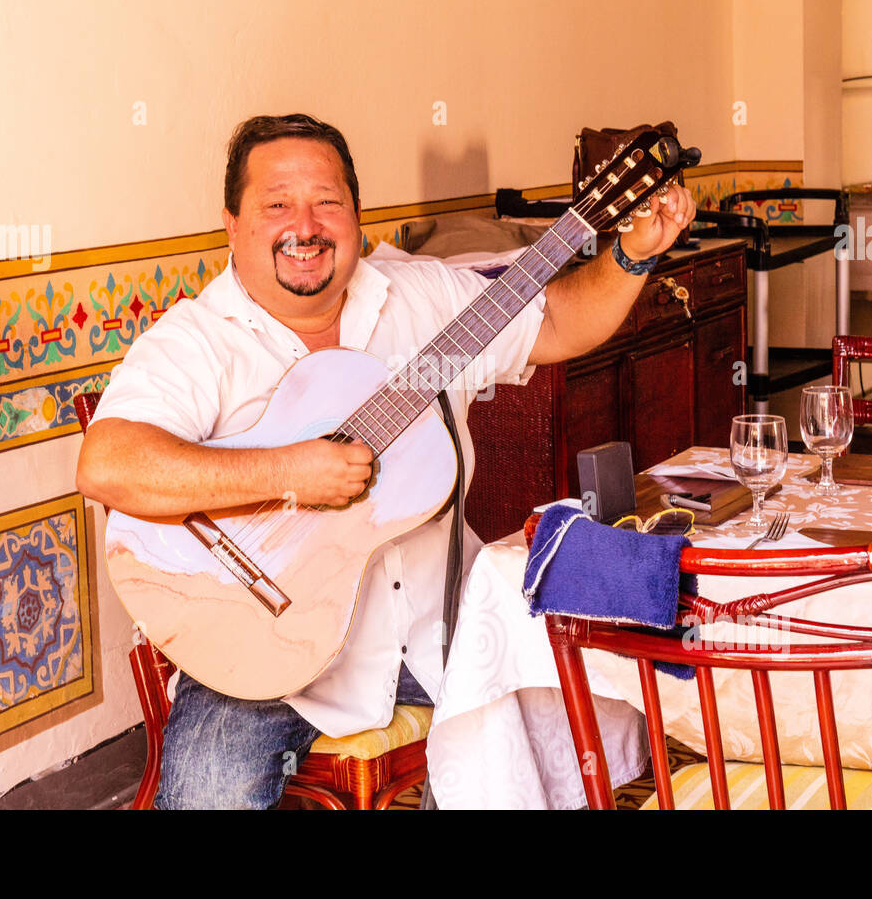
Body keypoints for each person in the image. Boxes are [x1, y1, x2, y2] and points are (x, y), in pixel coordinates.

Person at [75, 113, 695, 808]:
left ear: (357, 216)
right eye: (277, 203)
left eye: (326, 202)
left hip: (443, 628)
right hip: (264, 647)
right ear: (232, 221)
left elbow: (553, 322)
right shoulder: (197, 340)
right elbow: (108, 464)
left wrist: (633, 254)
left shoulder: (421, 301)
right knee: (205, 792)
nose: (303, 225)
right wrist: (286, 472)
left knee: (592, 700)